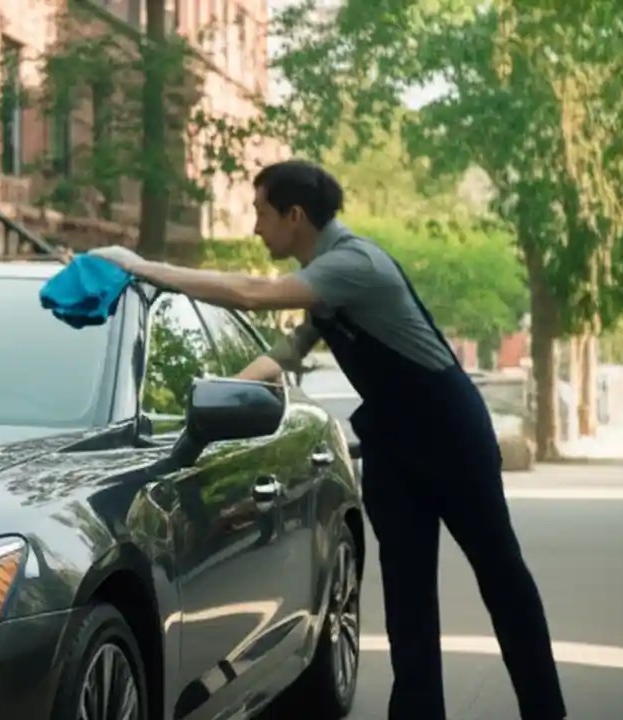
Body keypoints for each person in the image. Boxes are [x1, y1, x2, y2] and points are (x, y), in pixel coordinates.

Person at [89, 160, 567, 720]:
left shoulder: (354, 264)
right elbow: (286, 354)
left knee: (501, 575)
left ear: (295, 216)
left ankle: (545, 710)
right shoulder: (325, 275)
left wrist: (142, 268)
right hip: (393, 443)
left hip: (450, 437)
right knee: (408, 595)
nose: (255, 227)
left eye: (261, 213)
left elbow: (252, 293)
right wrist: (216, 397)